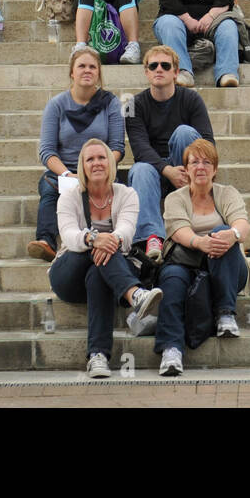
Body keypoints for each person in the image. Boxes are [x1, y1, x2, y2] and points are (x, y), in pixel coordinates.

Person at [49, 138, 165, 379]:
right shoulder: (70, 196)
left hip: (108, 276)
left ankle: (98, 356)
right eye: (90, 159)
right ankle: (135, 295)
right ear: (82, 166)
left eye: (102, 157)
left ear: (110, 163)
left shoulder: (127, 194)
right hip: (68, 275)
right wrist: (94, 240)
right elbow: (69, 236)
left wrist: (107, 241)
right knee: (96, 253)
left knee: (97, 274)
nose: (97, 163)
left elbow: (126, 232)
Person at [153, 139, 250, 377]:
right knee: (172, 278)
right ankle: (171, 350)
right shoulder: (176, 198)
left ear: (215, 169)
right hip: (185, 262)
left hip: (227, 268)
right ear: (185, 168)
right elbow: (178, 230)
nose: (200, 167)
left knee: (222, 233)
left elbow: (242, 224)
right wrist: (200, 242)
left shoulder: (227, 193)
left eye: (207, 162)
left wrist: (232, 234)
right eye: (194, 162)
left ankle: (226, 313)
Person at [28, 47, 124, 262]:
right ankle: (46, 241)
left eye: (92, 66)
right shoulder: (56, 105)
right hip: (66, 171)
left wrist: (99, 168)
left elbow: (117, 148)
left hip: (100, 169)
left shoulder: (111, 103)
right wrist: (68, 175)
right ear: (72, 72)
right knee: (48, 185)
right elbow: (47, 151)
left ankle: (112, 238)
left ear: (99, 73)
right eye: (81, 66)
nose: (87, 70)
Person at [125, 43, 215, 262]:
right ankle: (152, 237)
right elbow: (139, 148)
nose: (159, 69)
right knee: (140, 169)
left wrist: (183, 171)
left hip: (186, 168)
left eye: (165, 65)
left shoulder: (191, 99)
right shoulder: (133, 104)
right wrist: (167, 171)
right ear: (146, 72)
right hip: (154, 172)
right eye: (153, 65)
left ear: (176, 72)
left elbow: (208, 144)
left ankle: (194, 216)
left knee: (185, 133)